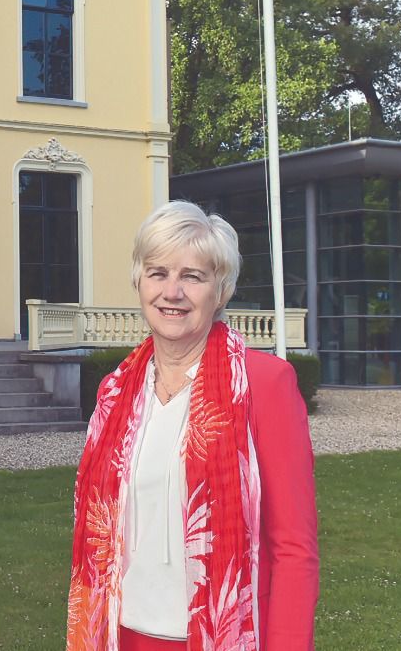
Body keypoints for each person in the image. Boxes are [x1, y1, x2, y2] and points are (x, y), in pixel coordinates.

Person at [66, 201, 318, 651]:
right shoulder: (115, 392)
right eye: (158, 272)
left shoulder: (265, 385)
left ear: (220, 291)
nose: (172, 292)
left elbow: (294, 549)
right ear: (139, 281)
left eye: (192, 277)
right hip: (120, 635)